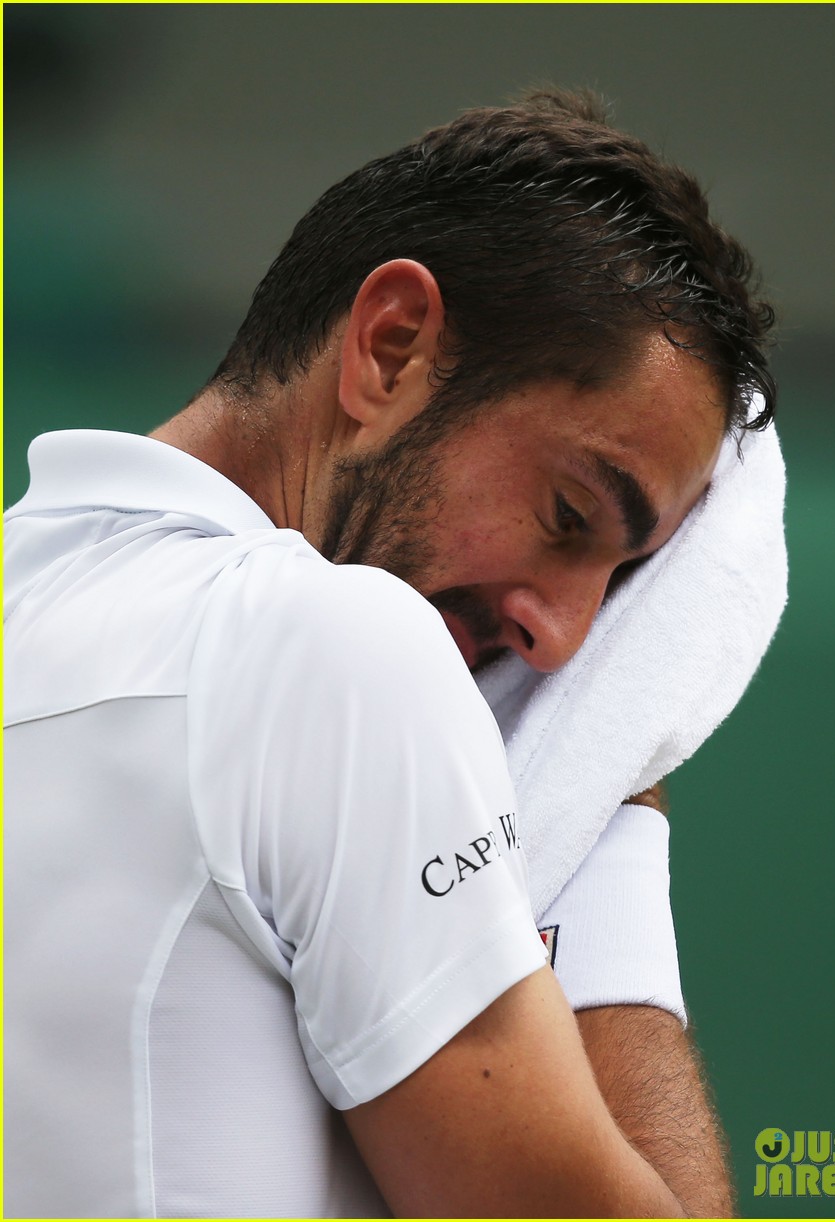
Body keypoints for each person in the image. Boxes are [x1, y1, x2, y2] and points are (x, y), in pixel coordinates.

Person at [4, 89, 775, 1218]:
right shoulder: (338, 647)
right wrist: (617, 780)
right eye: (569, 514)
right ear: (392, 346)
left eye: (619, 589)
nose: (560, 641)